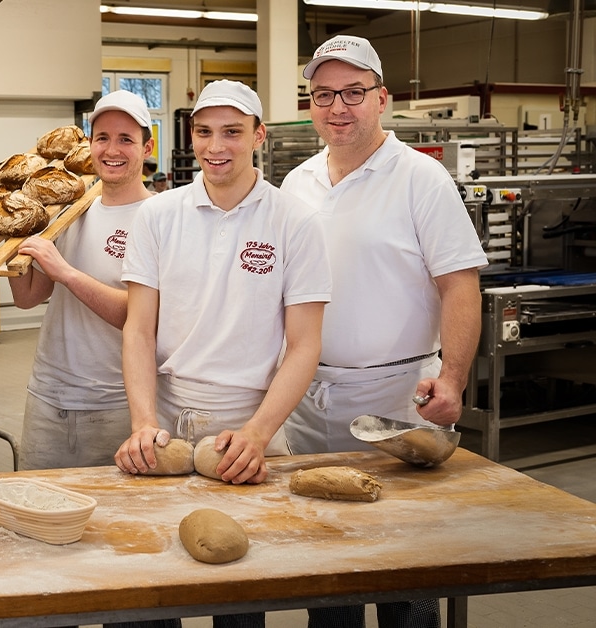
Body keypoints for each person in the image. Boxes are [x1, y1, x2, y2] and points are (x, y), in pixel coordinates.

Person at [281, 35, 487, 628]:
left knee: (404, 564)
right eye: (324, 94)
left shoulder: (420, 178)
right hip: (311, 399)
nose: (337, 107)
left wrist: (452, 376)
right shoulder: (297, 182)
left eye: (353, 92)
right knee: (330, 564)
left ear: (382, 99)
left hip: (397, 402)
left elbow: (459, 285)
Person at [115, 79, 329, 628]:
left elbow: (305, 345)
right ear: (191, 137)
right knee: (153, 578)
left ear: (258, 135)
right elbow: (139, 330)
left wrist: (257, 434)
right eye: (205, 132)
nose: (217, 146)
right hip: (166, 422)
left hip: (249, 426)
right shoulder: (159, 216)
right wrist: (142, 422)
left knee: (239, 589)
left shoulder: (294, 221)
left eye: (233, 132)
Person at [8, 90, 155, 471]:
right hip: (47, 397)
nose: (112, 150)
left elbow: (140, 319)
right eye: (102, 137)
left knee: (113, 523)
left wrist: (68, 274)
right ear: (89, 144)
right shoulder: (70, 212)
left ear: (147, 146)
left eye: (126, 139)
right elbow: (27, 298)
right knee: (35, 512)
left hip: (117, 404)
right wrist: (7, 242)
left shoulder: (160, 217)